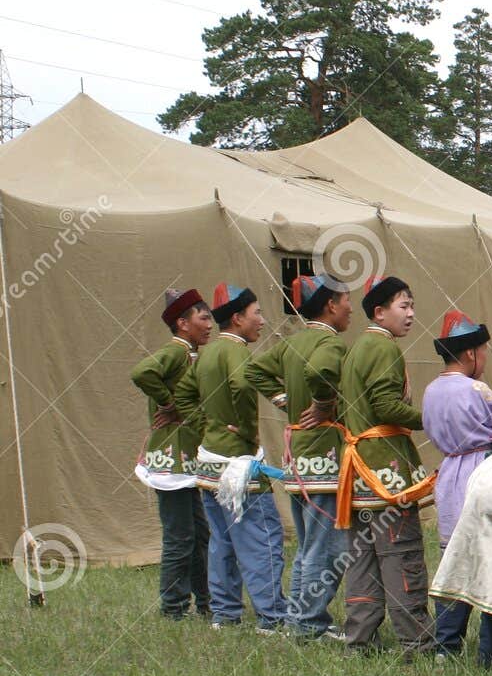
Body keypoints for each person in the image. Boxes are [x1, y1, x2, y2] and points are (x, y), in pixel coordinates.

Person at [243, 273, 352, 641]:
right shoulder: (329, 344)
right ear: (331, 304)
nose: (351, 307)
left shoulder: (291, 344)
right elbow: (319, 371)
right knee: (329, 547)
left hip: (297, 460)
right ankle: (310, 623)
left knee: (308, 547)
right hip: (323, 456)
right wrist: (323, 403)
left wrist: (284, 401)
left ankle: (298, 618)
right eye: (346, 299)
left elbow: (254, 370)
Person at [337, 273, 435, 656]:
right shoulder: (384, 348)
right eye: (404, 305)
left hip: (359, 474)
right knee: (401, 555)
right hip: (386, 473)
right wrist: (433, 418)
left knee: (362, 560)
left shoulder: (357, 347)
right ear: (379, 311)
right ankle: (417, 641)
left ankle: (359, 640)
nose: (411, 314)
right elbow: (386, 407)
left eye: (412, 306)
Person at [180, 284, 286, 635]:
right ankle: (271, 617)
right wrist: (243, 429)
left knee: (222, 542)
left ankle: (224, 615)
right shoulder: (236, 351)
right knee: (261, 538)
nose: (262, 320)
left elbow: (183, 394)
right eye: (257, 313)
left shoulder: (206, 353)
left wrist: (206, 425)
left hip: (208, 463)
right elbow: (242, 386)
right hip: (237, 464)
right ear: (238, 318)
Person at [421, 310, 492, 660]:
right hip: (482, 471)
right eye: (484, 352)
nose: (485, 359)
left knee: (454, 558)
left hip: (449, 474)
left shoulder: (431, 390)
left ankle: (445, 645)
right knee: (488, 560)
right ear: (470, 354)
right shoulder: (478, 389)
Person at [132, 288, 213, 621]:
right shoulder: (175, 351)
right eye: (203, 317)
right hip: (172, 459)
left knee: (199, 533)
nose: (210, 324)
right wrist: (169, 404)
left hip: (187, 456)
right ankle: (173, 609)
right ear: (183, 323)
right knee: (180, 536)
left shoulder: (190, 354)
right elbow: (142, 372)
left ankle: (206, 604)